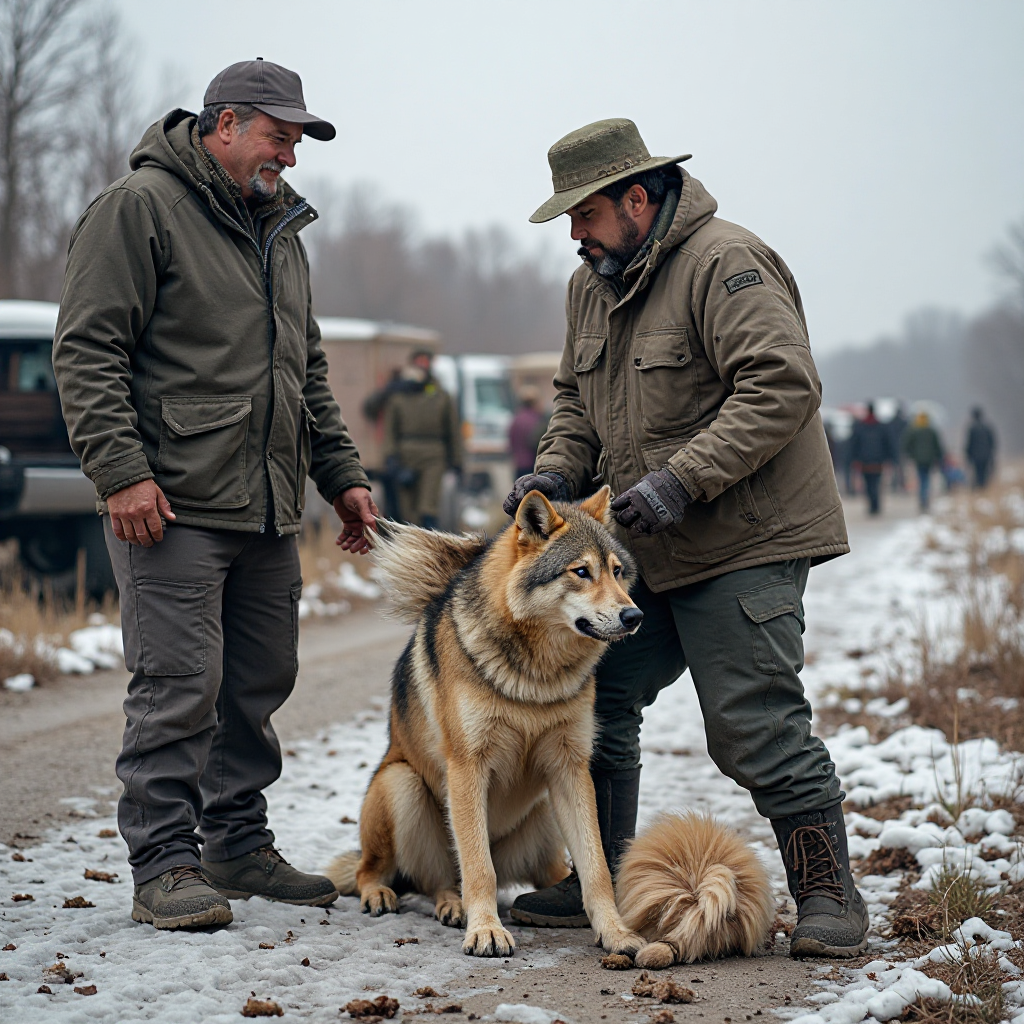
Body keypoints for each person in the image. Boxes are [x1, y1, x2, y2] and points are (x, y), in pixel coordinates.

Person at [503, 119, 866, 957]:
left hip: (745, 538)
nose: (574, 234)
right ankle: (601, 881)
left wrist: (682, 479)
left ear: (638, 198)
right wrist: (554, 474)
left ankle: (828, 895)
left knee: (750, 723)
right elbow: (572, 402)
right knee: (597, 698)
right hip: (642, 553)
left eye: (584, 213)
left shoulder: (725, 263)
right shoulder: (589, 285)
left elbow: (782, 383)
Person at [52, 59, 379, 930]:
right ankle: (164, 862)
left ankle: (235, 843)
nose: (292, 157)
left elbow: (303, 370)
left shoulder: (281, 230)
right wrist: (120, 472)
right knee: (178, 684)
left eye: (299, 141)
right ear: (224, 124)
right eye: (281, 137)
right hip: (173, 505)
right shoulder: (140, 209)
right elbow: (88, 351)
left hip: (267, 507)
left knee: (258, 681)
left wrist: (341, 478)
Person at [383, 349, 462, 529]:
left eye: (425, 362)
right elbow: (390, 430)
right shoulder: (398, 395)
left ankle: (428, 541)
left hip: (434, 454)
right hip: (405, 454)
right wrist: (391, 458)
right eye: (418, 362)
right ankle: (411, 549)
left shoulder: (440, 394)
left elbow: (453, 430)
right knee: (407, 511)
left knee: (428, 507)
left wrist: (457, 460)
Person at [849, 403, 896, 515]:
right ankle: (876, 505)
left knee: (868, 485)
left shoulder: (860, 426)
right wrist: (889, 458)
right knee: (876, 483)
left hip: (864, 461)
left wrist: (854, 459)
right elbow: (888, 443)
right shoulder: (881, 427)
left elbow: (854, 444)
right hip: (878, 461)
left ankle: (872, 505)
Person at [901, 410, 944, 512]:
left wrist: (910, 455)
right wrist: (939, 457)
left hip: (918, 459)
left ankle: (922, 498)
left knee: (921, 478)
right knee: (927, 479)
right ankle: (925, 498)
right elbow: (937, 446)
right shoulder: (931, 430)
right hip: (929, 459)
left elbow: (906, 444)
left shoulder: (913, 430)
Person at [508, 386, 548, 480]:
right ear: (535, 403)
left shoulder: (516, 420)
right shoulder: (537, 420)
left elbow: (511, 444)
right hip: (533, 467)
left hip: (519, 466)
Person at [965, 407, 997, 489]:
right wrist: (991, 453)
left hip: (975, 456)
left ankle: (979, 487)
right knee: (985, 472)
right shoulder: (987, 427)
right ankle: (984, 487)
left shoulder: (972, 428)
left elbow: (969, 444)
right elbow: (993, 442)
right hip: (986, 455)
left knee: (978, 472)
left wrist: (967, 455)